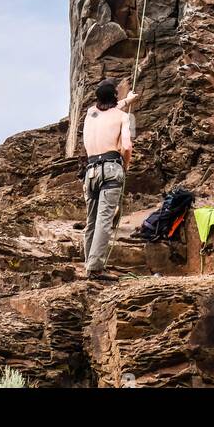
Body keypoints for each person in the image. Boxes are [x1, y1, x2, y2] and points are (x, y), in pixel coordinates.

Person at [81, 77, 132, 278]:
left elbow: (108, 112)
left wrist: (127, 100)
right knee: (104, 220)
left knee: (91, 221)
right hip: (111, 168)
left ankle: (89, 263)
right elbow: (126, 146)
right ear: (114, 97)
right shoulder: (122, 117)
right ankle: (95, 268)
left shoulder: (90, 113)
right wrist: (125, 167)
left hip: (90, 171)